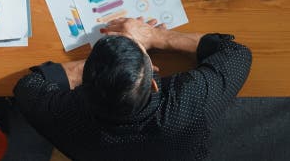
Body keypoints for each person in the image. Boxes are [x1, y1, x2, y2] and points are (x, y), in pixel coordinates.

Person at [13, 17, 252, 160]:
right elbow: (237, 53)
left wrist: (107, 67)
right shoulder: (190, 104)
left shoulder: (64, 116)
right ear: (153, 82)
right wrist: (155, 36)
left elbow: (28, 86)